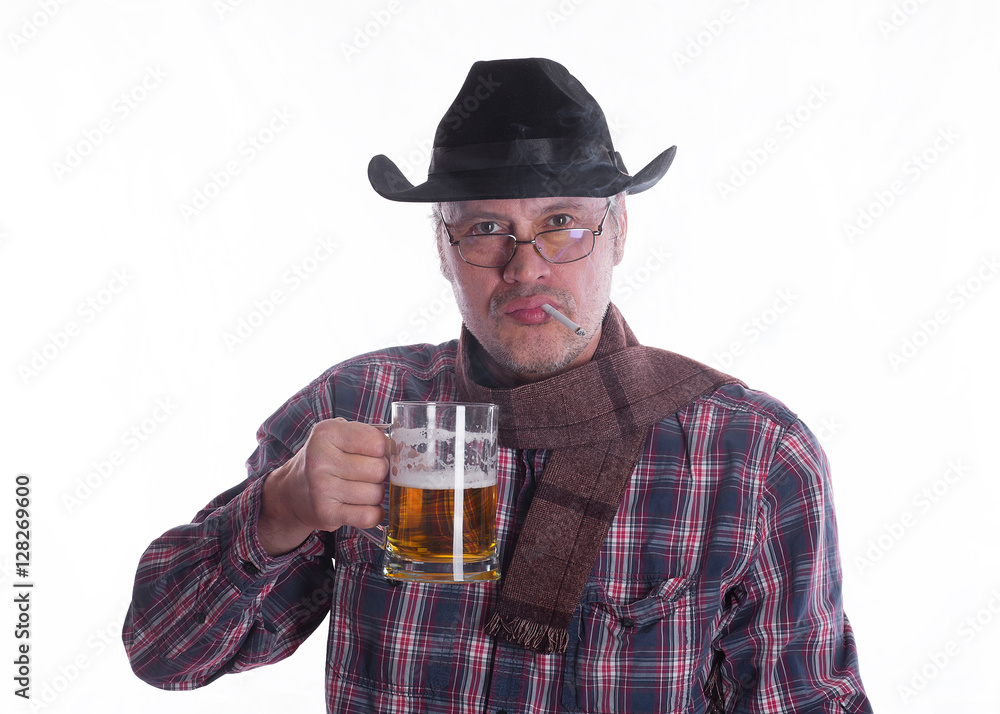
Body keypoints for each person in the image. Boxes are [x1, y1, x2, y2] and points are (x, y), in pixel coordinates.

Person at [124, 58, 872, 713]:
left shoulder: (753, 455)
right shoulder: (353, 409)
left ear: (617, 233)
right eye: (485, 228)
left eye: (560, 223)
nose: (525, 268)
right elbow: (164, 654)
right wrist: (277, 509)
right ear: (443, 250)